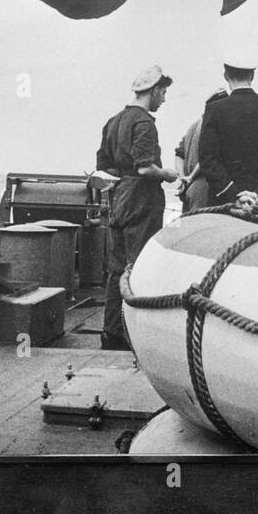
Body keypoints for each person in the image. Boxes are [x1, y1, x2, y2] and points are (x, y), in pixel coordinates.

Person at [94, 64, 178, 350]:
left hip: (119, 199)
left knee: (116, 268)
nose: (164, 99)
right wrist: (166, 174)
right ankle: (136, 335)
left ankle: (112, 331)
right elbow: (145, 168)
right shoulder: (144, 123)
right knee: (140, 266)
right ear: (153, 91)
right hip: (142, 200)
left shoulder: (113, 121)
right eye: (163, 92)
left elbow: (104, 167)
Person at [198, 54, 258, 205]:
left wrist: (233, 194)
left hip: (223, 203)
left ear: (226, 75)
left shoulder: (214, 110)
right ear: (253, 75)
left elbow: (207, 160)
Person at [174, 89, 227, 213]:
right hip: (206, 189)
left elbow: (178, 155)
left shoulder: (193, 126)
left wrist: (183, 178)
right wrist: (191, 177)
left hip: (189, 189)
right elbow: (207, 157)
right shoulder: (214, 126)